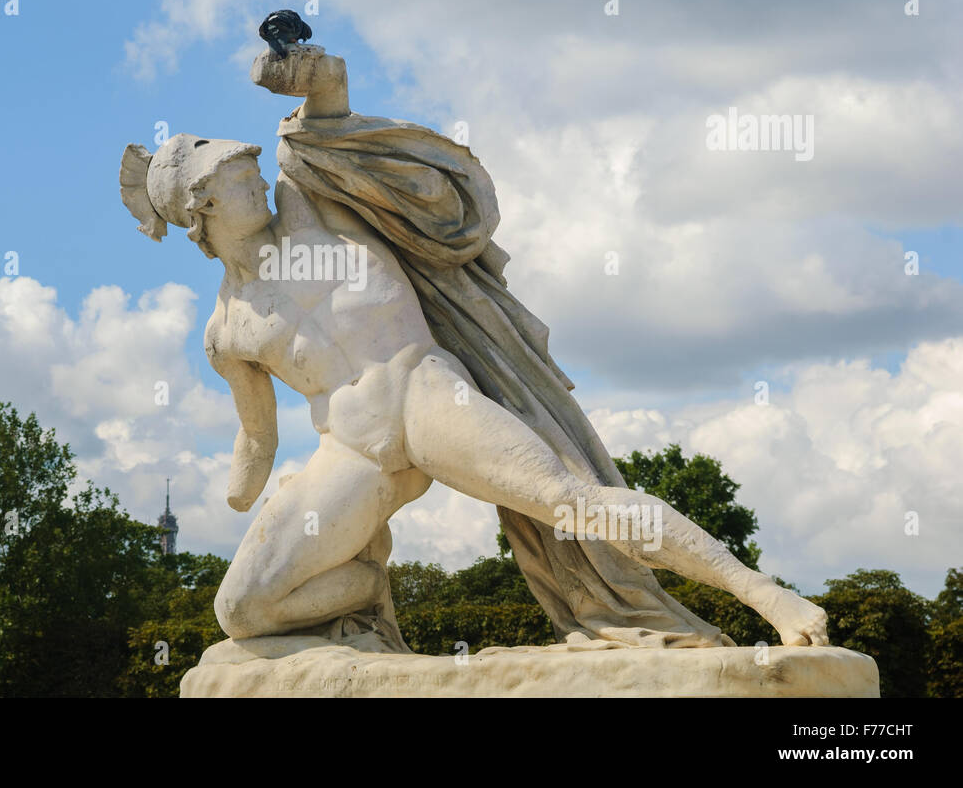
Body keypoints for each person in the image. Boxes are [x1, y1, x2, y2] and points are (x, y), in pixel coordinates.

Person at [118, 45, 829, 652]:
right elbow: (257, 438)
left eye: (251, 168)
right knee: (240, 610)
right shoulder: (227, 332)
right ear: (203, 209)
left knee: (571, 500)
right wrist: (242, 493)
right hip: (355, 454)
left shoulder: (309, 201)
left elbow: (328, 113)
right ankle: (362, 594)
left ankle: (765, 594)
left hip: (424, 392)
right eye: (240, 179)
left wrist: (310, 71)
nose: (258, 180)